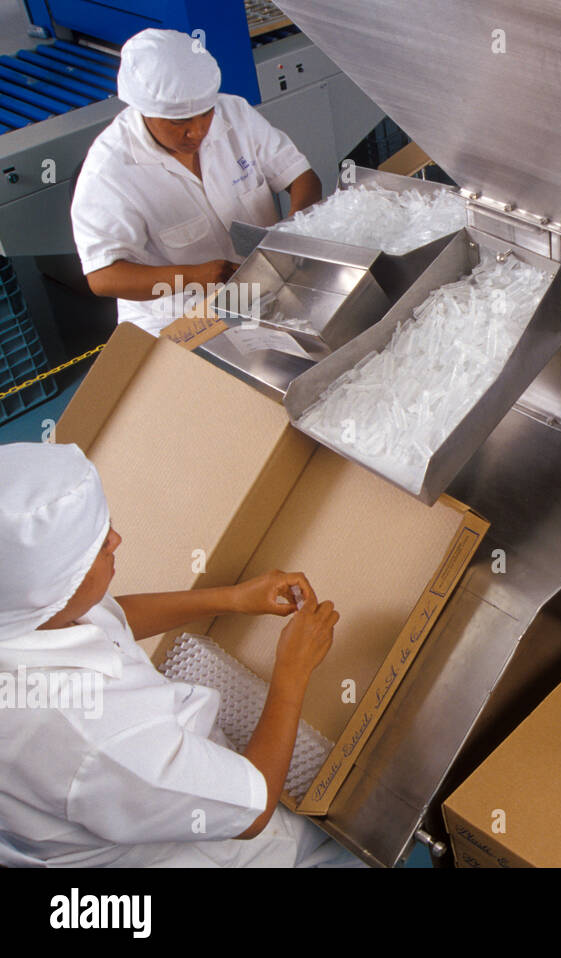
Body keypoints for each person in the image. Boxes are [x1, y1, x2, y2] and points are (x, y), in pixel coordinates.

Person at [0, 442, 361, 866]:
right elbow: (254, 806)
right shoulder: (94, 735)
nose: (117, 538)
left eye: (107, 524)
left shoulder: (28, 608)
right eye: (99, 544)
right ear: (54, 585)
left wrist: (232, 598)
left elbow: (111, 617)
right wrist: (292, 674)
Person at [70, 28, 322, 337]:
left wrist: (293, 230)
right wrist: (190, 277)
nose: (197, 131)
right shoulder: (109, 172)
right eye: (179, 123)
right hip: (176, 315)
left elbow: (301, 177)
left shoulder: (235, 114)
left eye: (205, 114)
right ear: (144, 111)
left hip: (263, 288)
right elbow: (103, 277)